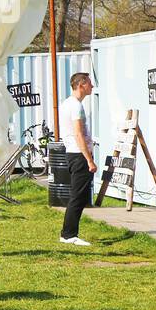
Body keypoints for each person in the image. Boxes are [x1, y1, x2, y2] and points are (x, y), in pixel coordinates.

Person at [59, 72, 97, 247]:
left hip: (73, 153)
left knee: (78, 196)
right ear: (81, 85)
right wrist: (89, 159)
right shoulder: (76, 106)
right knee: (78, 196)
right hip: (79, 155)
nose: (92, 86)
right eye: (89, 83)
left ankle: (69, 233)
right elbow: (78, 133)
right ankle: (68, 235)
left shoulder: (67, 103)